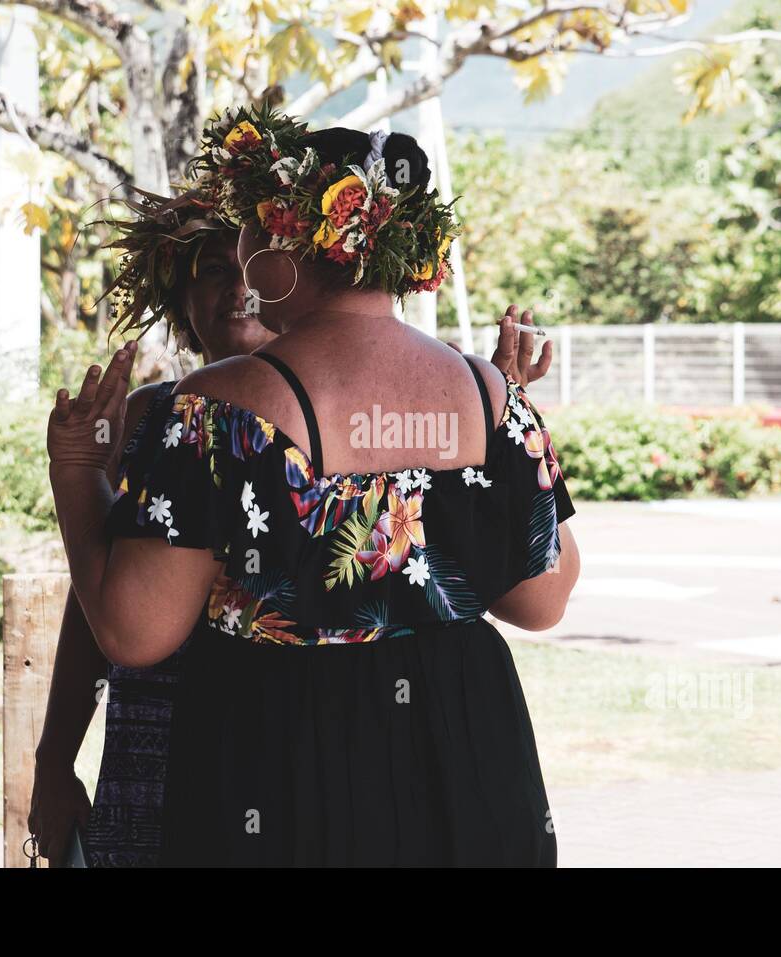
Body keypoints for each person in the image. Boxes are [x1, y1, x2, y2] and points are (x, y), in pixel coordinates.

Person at [47, 105, 579, 865]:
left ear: (282, 243)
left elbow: (136, 630)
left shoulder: (218, 408)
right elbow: (542, 598)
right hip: (471, 758)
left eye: (249, 229)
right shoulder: (493, 397)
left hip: (285, 761)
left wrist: (75, 472)